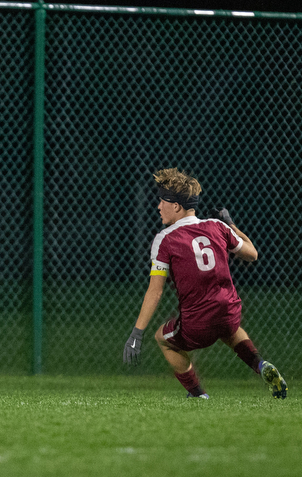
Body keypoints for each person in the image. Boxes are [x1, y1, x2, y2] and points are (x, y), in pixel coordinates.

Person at [122, 168, 286, 400]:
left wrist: (137, 333)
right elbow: (253, 254)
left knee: (163, 339)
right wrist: (230, 223)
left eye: (162, 202)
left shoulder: (165, 238)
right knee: (229, 330)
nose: (158, 207)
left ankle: (197, 394)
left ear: (176, 206)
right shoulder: (218, 227)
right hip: (229, 311)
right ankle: (261, 365)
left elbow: (155, 291)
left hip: (198, 323)